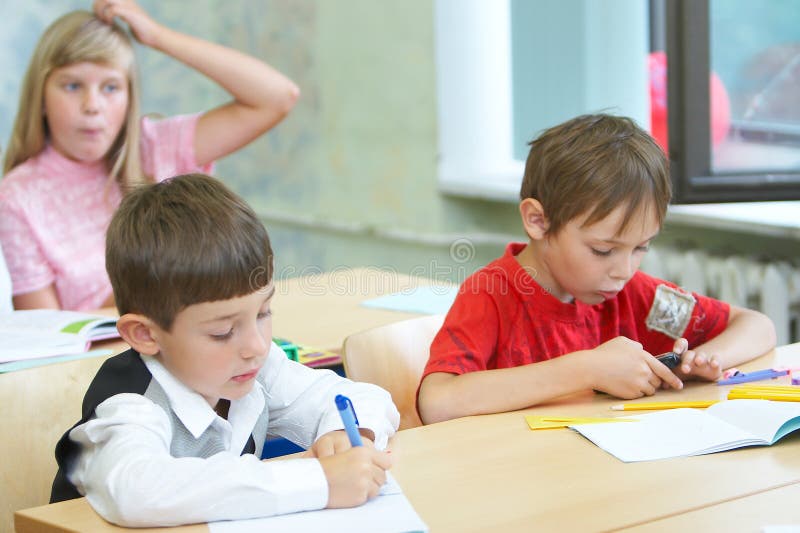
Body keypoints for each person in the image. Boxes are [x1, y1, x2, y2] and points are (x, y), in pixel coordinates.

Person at [50, 173, 400, 527]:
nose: (257, 345)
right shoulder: (127, 406)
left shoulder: (251, 368)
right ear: (144, 334)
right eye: (222, 332)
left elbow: (361, 396)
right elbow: (137, 491)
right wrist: (318, 480)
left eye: (263, 313)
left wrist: (342, 434)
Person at [417, 113, 776, 425]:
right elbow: (438, 402)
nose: (624, 269)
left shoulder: (635, 296)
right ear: (538, 221)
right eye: (603, 250)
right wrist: (586, 369)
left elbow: (757, 326)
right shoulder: (491, 295)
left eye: (641, 248)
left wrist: (704, 360)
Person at [0, 1, 299, 311]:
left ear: (130, 98)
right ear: (41, 96)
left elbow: (277, 97)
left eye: (111, 87)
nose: (92, 105)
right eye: (73, 85)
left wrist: (157, 36)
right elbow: (46, 338)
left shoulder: (155, 149)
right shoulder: (18, 197)